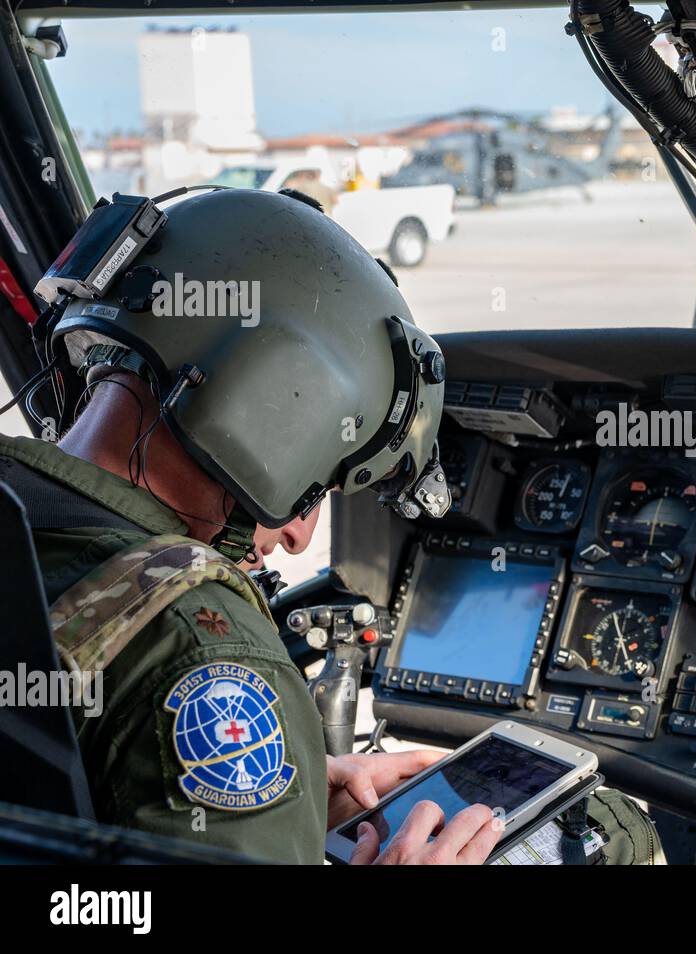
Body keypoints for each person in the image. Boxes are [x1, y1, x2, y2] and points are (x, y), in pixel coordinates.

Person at [3, 187, 662, 865]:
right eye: (317, 484)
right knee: (613, 840)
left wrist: (284, 802)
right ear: (271, 410)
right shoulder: (199, 650)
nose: (298, 536)